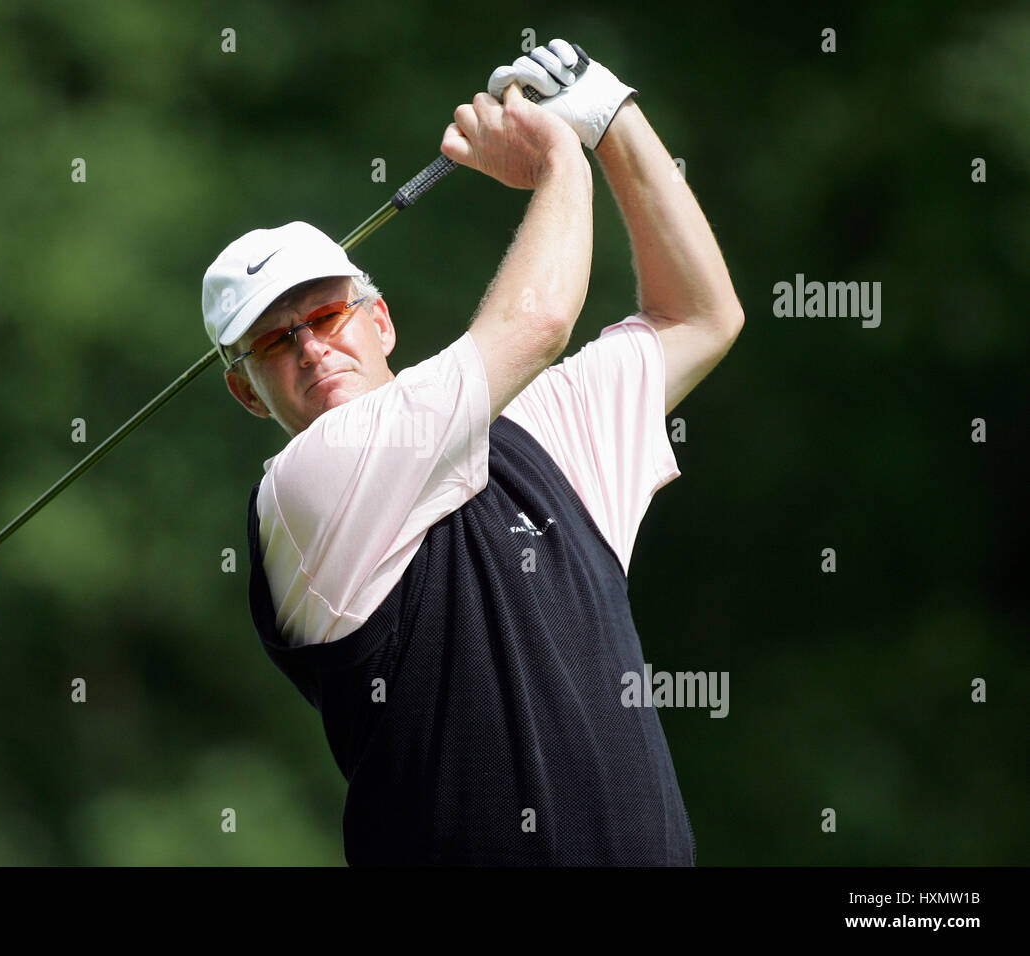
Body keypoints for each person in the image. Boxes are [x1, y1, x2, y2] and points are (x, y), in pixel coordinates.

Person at [200, 39, 744, 865]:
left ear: (379, 321)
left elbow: (700, 317)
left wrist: (612, 117)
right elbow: (537, 323)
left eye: (327, 317)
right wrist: (561, 156)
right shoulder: (306, 488)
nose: (312, 350)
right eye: (276, 342)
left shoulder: (537, 432)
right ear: (248, 393)